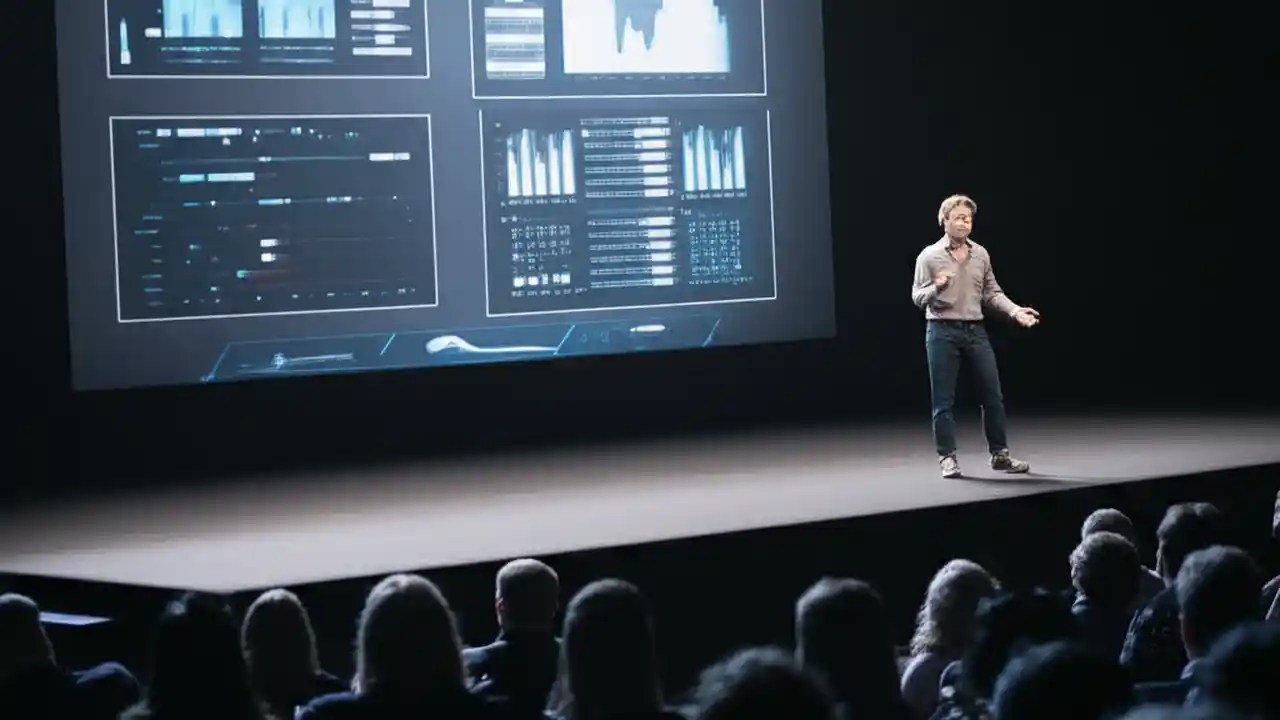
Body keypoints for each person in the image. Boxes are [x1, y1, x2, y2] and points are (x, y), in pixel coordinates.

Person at [912, 194, 1040, 478]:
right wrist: (936, 287)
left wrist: (1015, 311)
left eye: (968, 219)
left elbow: (992, 293)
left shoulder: (980, 254)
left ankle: (1000, 455)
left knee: (992, 395)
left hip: (975, 330)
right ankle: (947, 457)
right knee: (943, 400)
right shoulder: (929, 256)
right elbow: (917, 297)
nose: (964, 223)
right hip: (941, 330)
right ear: (944, 220)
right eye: (958, 218)